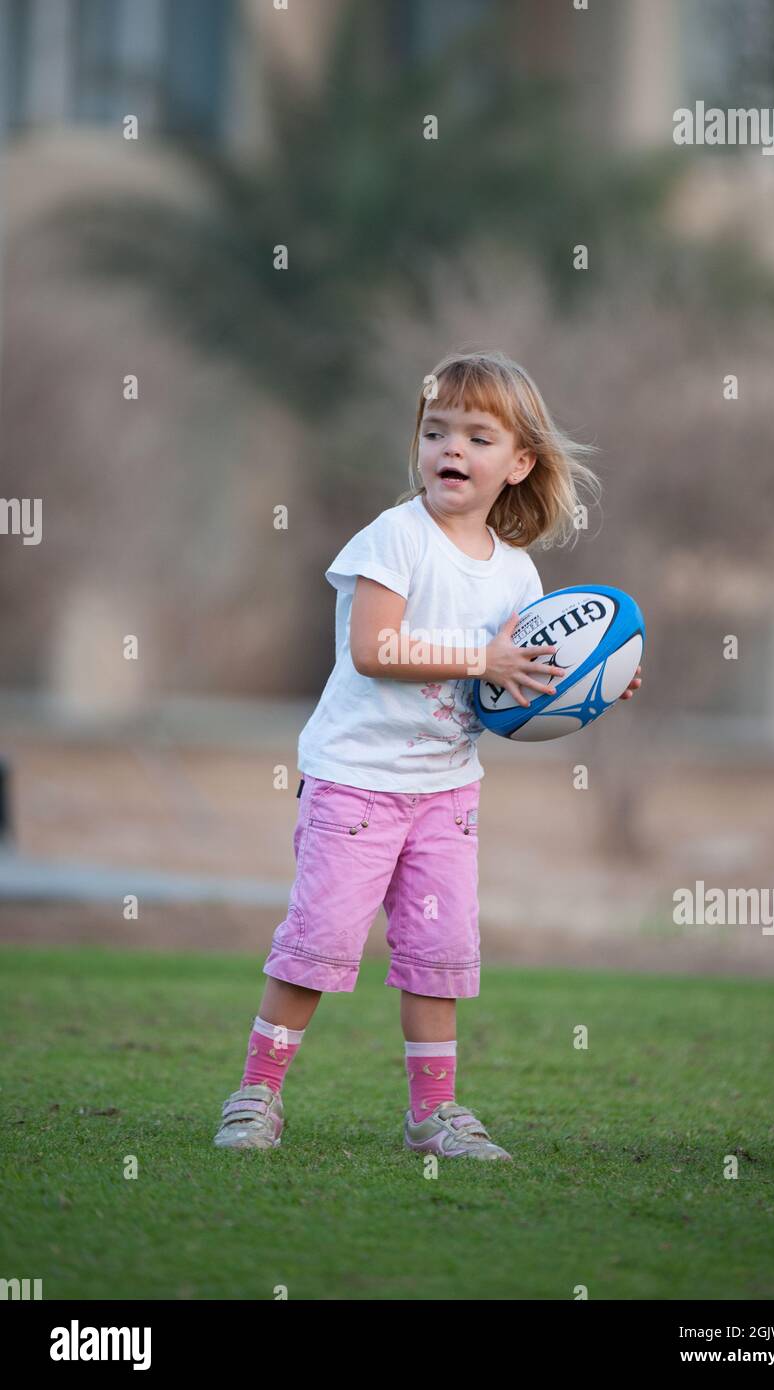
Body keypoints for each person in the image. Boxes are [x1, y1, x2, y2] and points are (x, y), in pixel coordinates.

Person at [213, 348, 641, 1158]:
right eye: (436, 430)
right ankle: (256, 1095)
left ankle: (432, 1116)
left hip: (447, 795)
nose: (452, 448)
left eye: (478, 438)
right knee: (318, 944)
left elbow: (520, 687)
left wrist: (593, 685)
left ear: (519, 464)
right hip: (355, 786)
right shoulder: (394, 538)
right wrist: (483, 658)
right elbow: (375, 648)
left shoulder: (517, 575)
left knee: (438, 958)